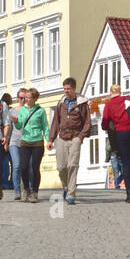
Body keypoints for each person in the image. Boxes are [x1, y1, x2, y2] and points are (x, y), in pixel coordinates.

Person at [47, 77, 90, 205]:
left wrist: (81, 137)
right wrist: (51, 139)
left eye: (68, 89)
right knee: (61, 167)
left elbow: (87, 121)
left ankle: (71, 194)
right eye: (64, 89)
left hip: (75, 137)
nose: (66, 91)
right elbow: (56, 122)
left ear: (74, 89)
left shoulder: (82, 103)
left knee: (72, 165)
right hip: (62, 138)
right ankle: (66, 187)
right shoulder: (61, 103)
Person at [101, 83, 130, 203]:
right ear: (120, 92)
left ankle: (129, 194)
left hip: (121, 134)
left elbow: (104, 125)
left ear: (111, 93)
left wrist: (113, 121)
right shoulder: (128, 99)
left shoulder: (109, 105)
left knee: (126, 162)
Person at [17, 88, 49, 202]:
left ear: (35, 99)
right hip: (25, 141)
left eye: (28, 97)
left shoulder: (40, 111)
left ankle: (35, 192)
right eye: (25, 97)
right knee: (23, 167)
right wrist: (16, 121)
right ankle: (26, 189)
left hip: (37, 142)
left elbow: (45, 126)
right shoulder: (22, 110)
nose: (26, 99)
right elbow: (19, 126)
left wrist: (49, 140)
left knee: (35, 168)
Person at [6, 90, 26, 201]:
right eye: (20, 98)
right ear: (17, 98)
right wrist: (6, 141)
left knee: (27, 167)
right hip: (14, 142)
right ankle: (17, 190)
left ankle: (26, 189)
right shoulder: (12, 111)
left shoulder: (29, 110)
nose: (22, 100)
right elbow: (8, 127)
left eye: (24, 98)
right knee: (17, 165)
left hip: (27, 142)